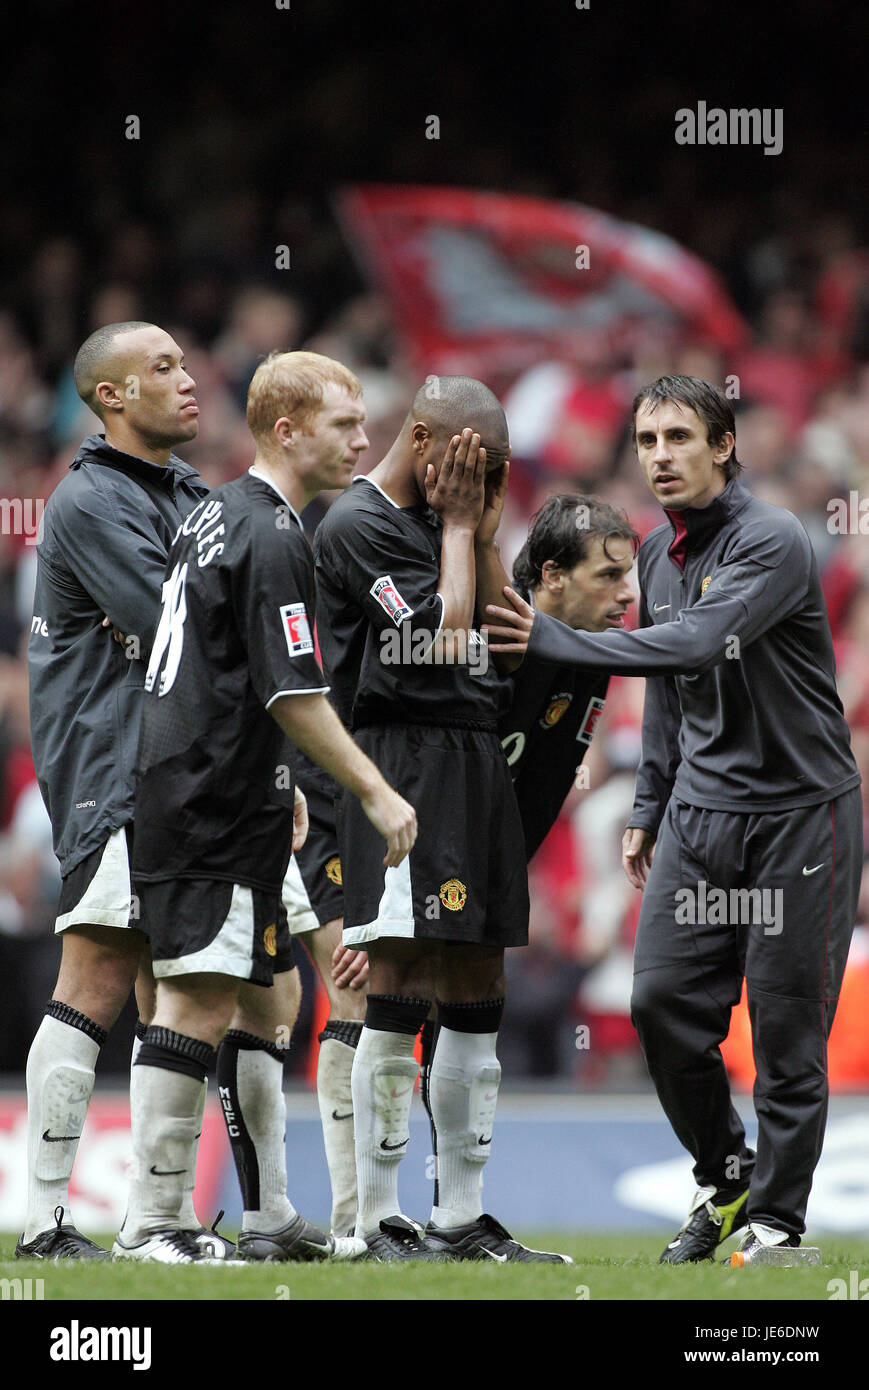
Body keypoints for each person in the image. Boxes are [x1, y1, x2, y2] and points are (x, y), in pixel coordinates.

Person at [484, 374, 863, 1265]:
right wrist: (650, 802)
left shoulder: (770, 541)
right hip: (699, 816)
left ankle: (775, 1223)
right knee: (658, 1001)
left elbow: (692, 643)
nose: (659, 457)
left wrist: (545, 634)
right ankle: (723, 1172)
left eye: (679, 438)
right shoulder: (655, 554)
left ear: (723, 446)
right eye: (647, 441)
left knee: (782, 1027)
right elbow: (671, 686)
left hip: (797, 818)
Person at [117, 351, 417, 1263]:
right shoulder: (275, 533)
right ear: (286, 430)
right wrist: (372, 787)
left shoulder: (217, 514)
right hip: (205, 795)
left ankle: (270, 1218)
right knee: (198, 1001)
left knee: (265, 998)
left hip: (208, 787)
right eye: (343, 424)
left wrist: (280, 783)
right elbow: (291, 692)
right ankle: (151, 1223)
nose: (363, 441)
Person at [313, 376, 572, 1263]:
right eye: (471, 464)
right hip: (398, 762)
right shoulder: (357, 525)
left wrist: (486, 536)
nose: (477, 483)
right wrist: (460, 531)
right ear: (423, 439)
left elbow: (500, 641)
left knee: (476, 980)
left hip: (471, 763)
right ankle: (380, 1218)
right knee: (400, 973)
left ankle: (460, 1217)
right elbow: (443, 636)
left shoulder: (453, 524)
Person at [20, 321, 213, 1260]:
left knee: (176, 985)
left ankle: (155, 1223)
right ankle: (47, 1222)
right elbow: (177, 621)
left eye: (184, 362)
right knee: (95, 978)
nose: (188, 380)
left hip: (181, 770)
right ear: (110, 396)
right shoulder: (90, 500)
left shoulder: (190, 492)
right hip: (113, 769)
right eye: (163, 368)